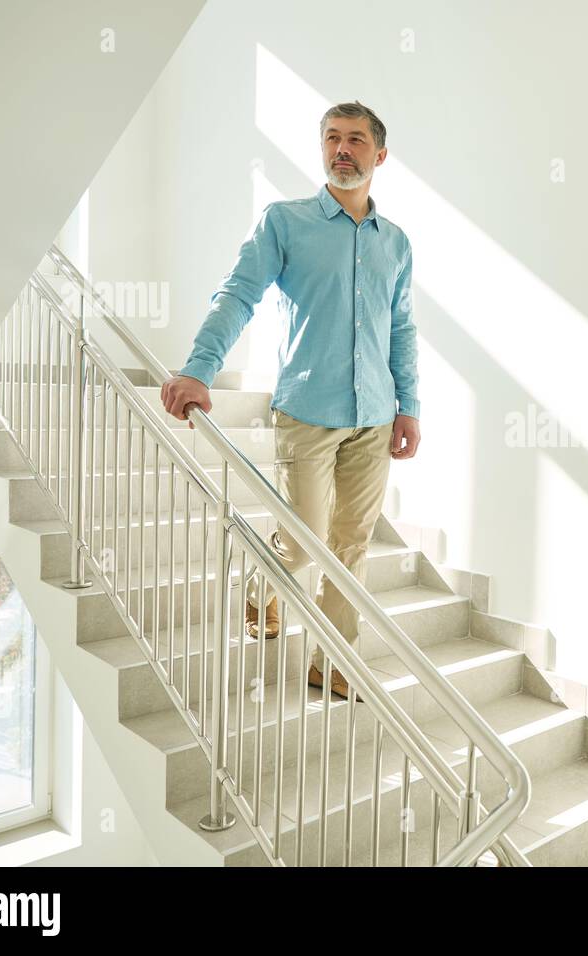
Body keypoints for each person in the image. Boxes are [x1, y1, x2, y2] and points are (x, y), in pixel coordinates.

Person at [159, 100, 420, 701]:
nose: (342, 149)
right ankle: (261, 588)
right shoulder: (285, 222)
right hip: (307, 412)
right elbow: (239, 294)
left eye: (355, 140)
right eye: (332, 138)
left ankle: (333, 663)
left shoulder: (397, 244)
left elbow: (401, 330)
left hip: (376, 418)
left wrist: (409, 408)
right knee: (305, 540)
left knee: (351, 544)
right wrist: (199, 370)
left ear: (379, 156)